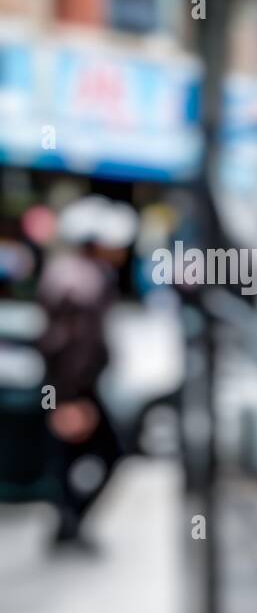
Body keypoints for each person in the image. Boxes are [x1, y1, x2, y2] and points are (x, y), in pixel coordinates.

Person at [35, 196, 138, 548]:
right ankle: (70, 521)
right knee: (105, 452)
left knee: (70, 457)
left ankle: (69, 523)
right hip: (74, 389)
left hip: (70, 387)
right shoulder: (83, 282)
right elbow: (70, 346)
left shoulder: (71, 273)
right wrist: (71, 398)